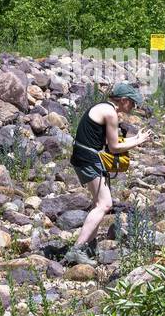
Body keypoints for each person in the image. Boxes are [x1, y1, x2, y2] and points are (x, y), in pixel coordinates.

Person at [62, 81, 149, 266]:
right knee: (105, 204)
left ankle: (90, 248)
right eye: (132, 102)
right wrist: (138, 141)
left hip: (83, 155)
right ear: (124, 100)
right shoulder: (110, 113)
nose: (134, 106)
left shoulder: (103, 107)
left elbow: (112, 142)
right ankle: (76, 250)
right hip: (88, 158)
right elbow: (115, 147)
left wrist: (134, 139)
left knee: (97, 203)